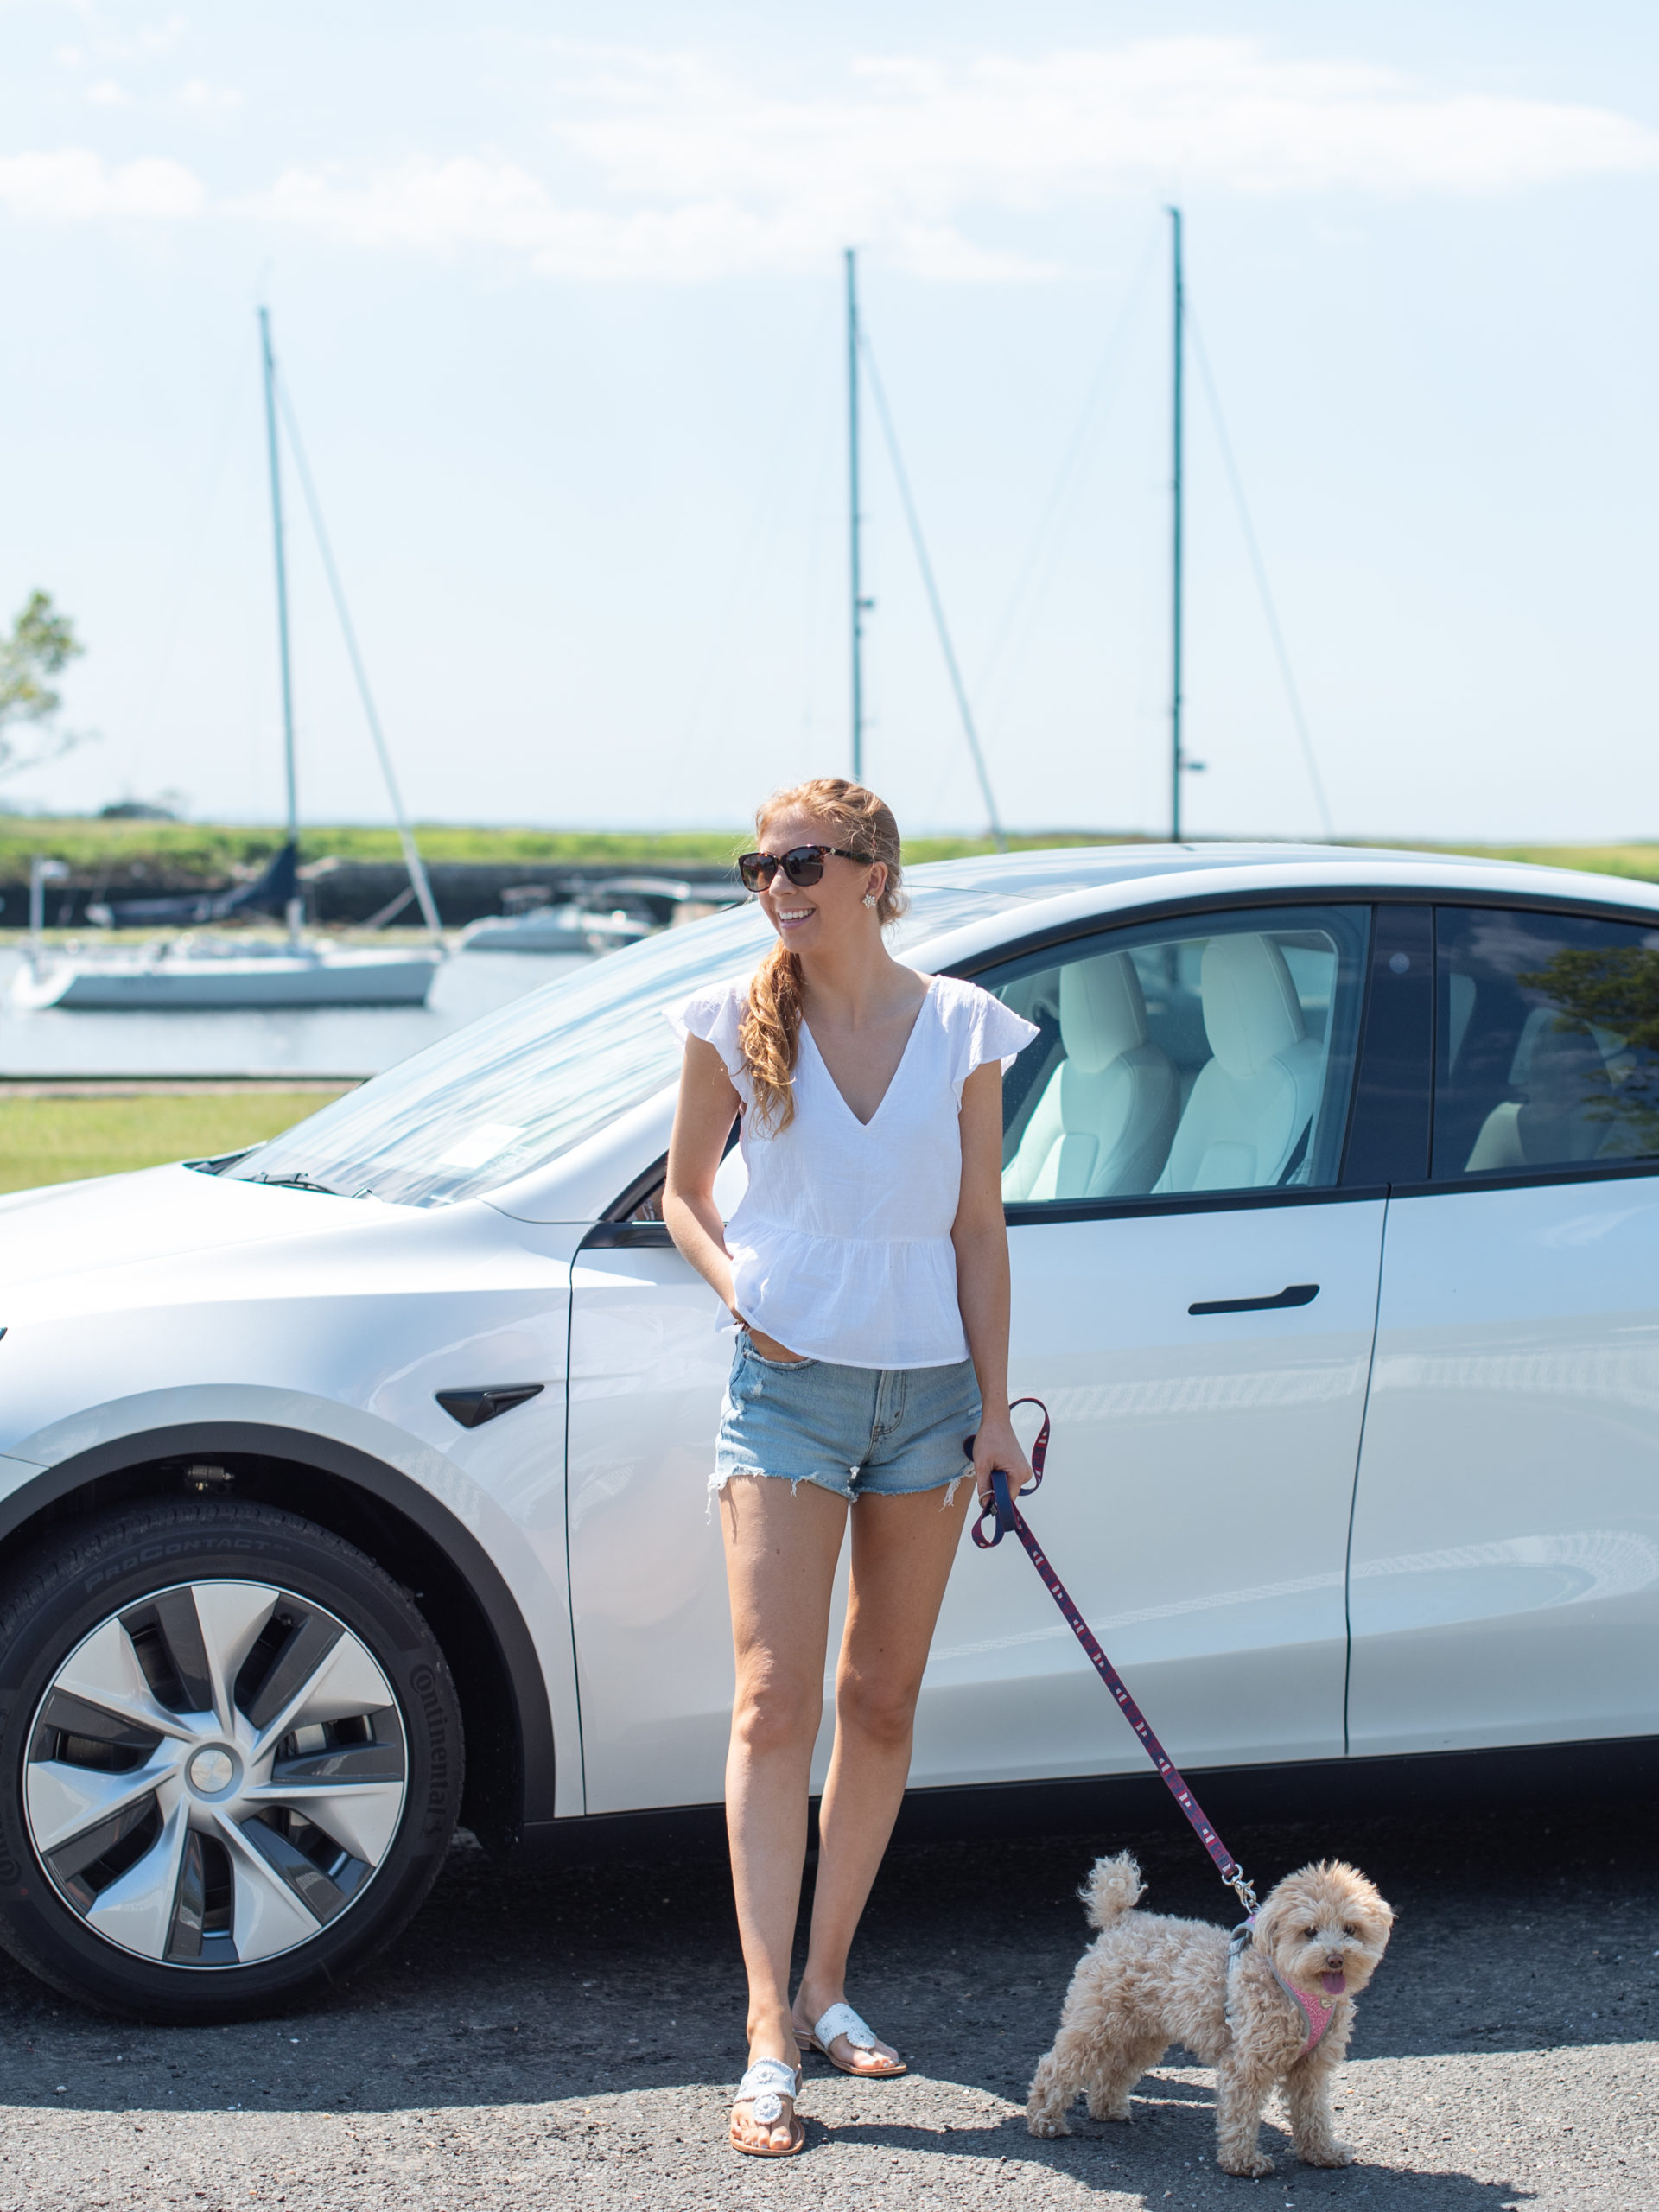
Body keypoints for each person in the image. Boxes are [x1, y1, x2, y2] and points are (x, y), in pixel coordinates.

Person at [664, 777, 1038, 2157]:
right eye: (760, 864)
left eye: (804, 861)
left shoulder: (963, 1030)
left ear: (876, 871)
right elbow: (684, 1195)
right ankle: (768, 2026)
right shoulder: (731, 1021)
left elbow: (980, 1232)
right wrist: (733, 1291)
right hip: (790, 1394)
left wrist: (996, 1409)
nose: (778, 884)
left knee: (878, 1701)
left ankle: (829, 1988)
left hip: (931, 1400)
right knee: (772, 1700)